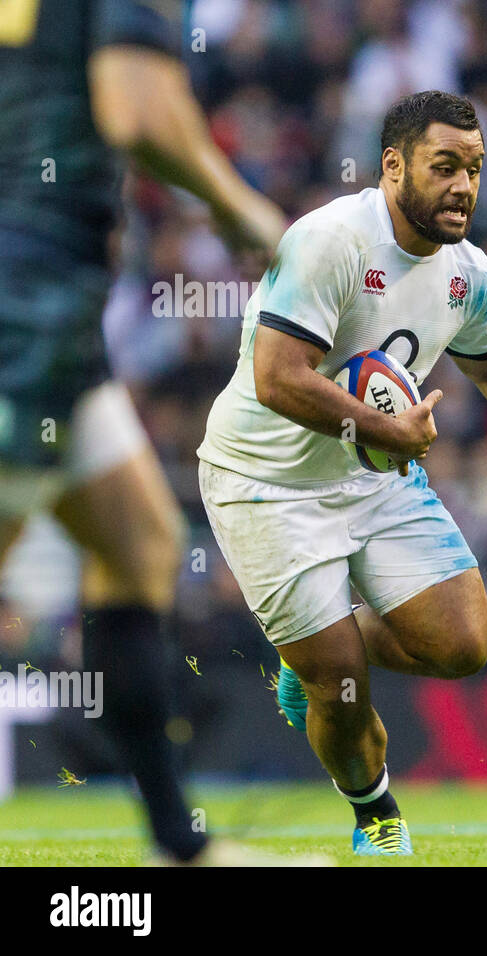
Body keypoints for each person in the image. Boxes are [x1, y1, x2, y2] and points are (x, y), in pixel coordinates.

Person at [197, 90, 487, 856]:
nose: (464, 187)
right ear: (393, 166)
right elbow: (279, 377)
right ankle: (375, 815)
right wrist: (386, 430)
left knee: (463, 645)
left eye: (475, 170)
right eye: (445, 167)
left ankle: (318, 644)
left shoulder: (469, 273)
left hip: (376, 474)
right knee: (340, 688)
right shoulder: (330, 241)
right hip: (265, 481)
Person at [0, 0, 286, 864]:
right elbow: (137, 107)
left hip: (49, 295)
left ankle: (177, 846)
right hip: (28, 290)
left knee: (139, 542)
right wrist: (245, 212)